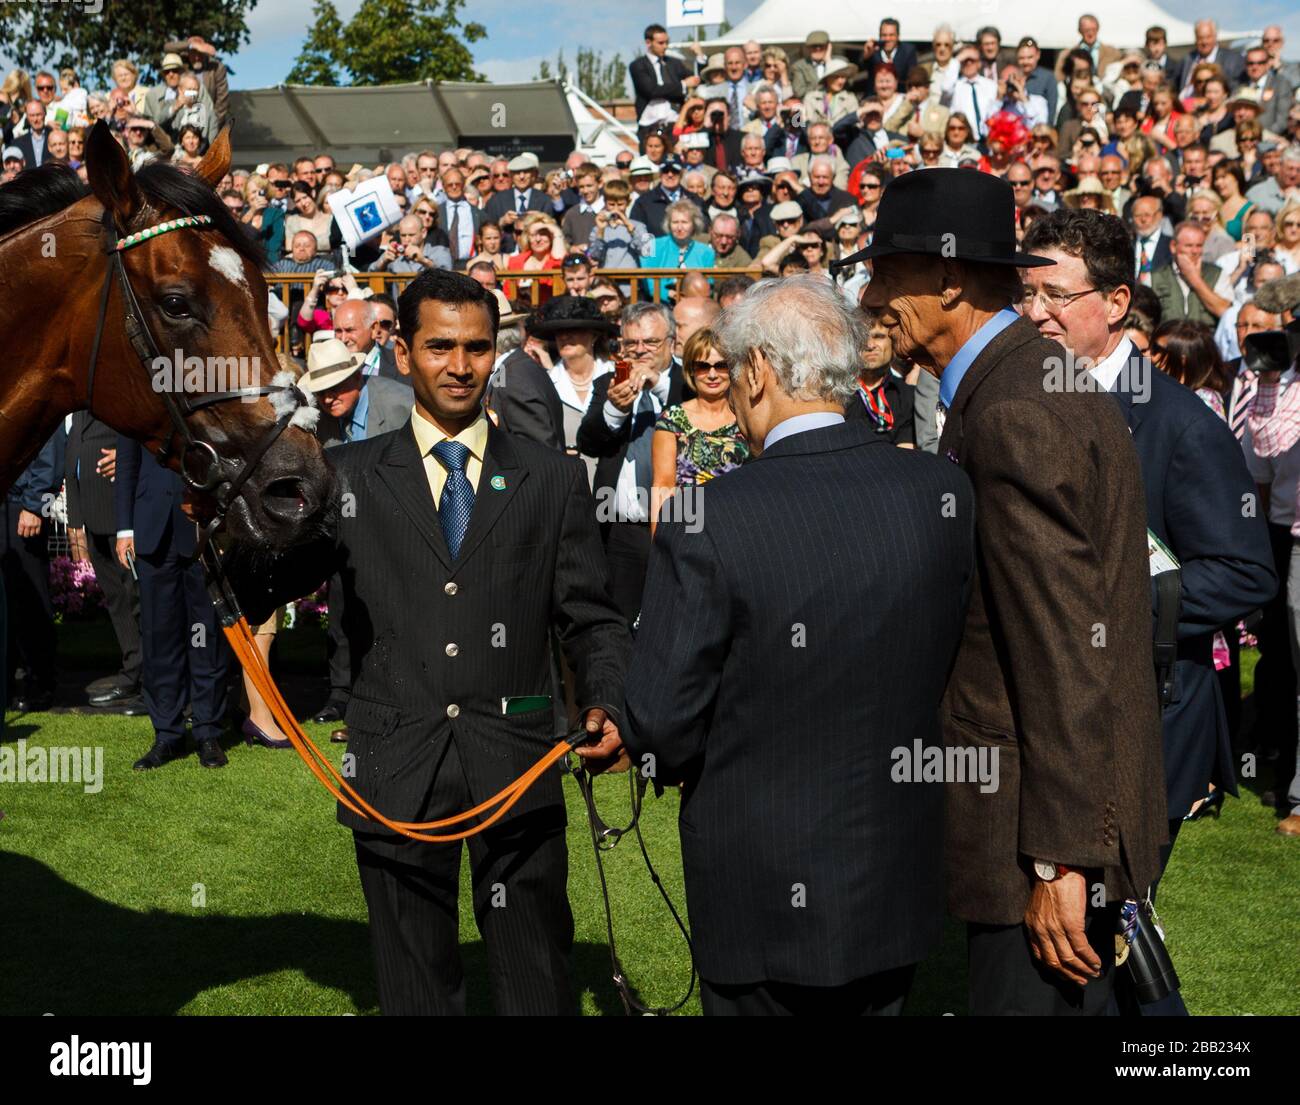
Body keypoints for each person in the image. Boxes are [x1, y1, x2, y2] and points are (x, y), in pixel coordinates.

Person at [230, 269, 630, 1015]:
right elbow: (261, 586)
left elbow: (592, 617)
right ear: (403, 353)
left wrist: (607, 697)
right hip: (392, 764)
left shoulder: (552, 476)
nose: (459, 364)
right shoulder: (344, 474)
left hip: (518, 754)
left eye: (477, 347)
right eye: (439, 345)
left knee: (538, 978)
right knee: (414, 990)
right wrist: (231, 516)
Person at [857, 169, 1167, 1015]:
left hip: (1042, 833)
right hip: (1035, 817)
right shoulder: (1007, 384)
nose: (872, 293)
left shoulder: (1015, 407)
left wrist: (1062, 861)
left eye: (889, 272)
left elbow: (1068, 647)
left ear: (950, 280)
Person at [623, 275, 974, 1015]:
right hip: (895, 870)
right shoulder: (940, 491)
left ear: (755, 372)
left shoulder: (708, 514)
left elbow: (660, 716)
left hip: (758, 883)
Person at [1020, 208, 1275, 1013]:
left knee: (1104, 931)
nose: (1036, 315)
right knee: (1075, 936)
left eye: (1057, 297)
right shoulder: (1031, 398)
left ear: (1119, 301)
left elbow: (1243, 574)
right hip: (1054, 713)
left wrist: (1101, 603)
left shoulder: (1181, 424)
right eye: (1028, 296)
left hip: (1151, 716)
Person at [116, 437, 231, 770]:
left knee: (205, 635)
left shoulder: (206, 386)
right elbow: (127, 463)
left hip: (200, 526)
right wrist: (125, 527)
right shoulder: (137, 390)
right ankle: (167, 734)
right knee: (158, 638)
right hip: (151, 531)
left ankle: (208, 732)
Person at [576, 301, 682, 622]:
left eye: (650, 342)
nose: (640, 350)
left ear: (672, 343)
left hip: (682, 523)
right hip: (621, 530)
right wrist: (615, 409)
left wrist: (660, 386)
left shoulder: (694, 379)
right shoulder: (608, 383)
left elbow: (701, 419)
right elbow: (588, 443)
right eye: (631, 343)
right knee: (619, 627)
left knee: (674, 622)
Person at [65, 413, 142, 710]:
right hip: (93, 517)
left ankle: (154, 679)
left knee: (137, 598)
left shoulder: (114, 396)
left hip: (122, 518)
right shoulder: (74, 411)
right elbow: (71, 463)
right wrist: (75, 525)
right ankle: (134, 670)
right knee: (117, 600)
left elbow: (144, 436)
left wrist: (124, 457)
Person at [649, 326, 749, 536]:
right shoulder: (673, 420)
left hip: (739, 528)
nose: (712, 374)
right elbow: (663, 487)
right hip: (688, 530)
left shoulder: (747, 417)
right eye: (703, 366)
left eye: (721, 366)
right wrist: (658, 546)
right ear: (691, 370)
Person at [2, 429, 64, 712]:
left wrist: (36, 505)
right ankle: (9, 679)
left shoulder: (32, 389)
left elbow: (50, 451)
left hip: (22, 505)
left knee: (30, 599)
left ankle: (41, 681)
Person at [528, 295, 619, 485]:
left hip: (614, 490)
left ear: (594, 335)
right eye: (559, 331)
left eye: (574, 329)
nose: (564, 336)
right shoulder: (545, 384)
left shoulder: (616, 377)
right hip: (564, 486)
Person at [844, 310, 915, 446]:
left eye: (879, 336)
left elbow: (906, 452)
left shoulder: (908, 396)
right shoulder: (838, 396)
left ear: (892, 342)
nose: (870, 345)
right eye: (863, 337)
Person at [630, 23, 701, 147]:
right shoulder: (638, 65)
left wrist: (700, 57)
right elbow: (651, 90)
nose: (665, 46)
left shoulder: (674, 64)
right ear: (648, 42)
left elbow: (698, 79)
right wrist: (683, 85)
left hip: (674, 125)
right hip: (649, 126)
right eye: (661, 43)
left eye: (666, 42)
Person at [1152, 222, 1229, 325]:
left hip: (1205, 339)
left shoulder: (1217, 274)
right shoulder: (1154, 277)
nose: (1194, 251)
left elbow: (1225, 312)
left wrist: (1194, 279)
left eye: (1199, 246)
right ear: (1173, 246)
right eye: (1188, 246)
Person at [643, 199, 715, 299]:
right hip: (661, 304)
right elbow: (648, 282)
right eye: (675, 222)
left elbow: (709, 284)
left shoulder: (706, 252)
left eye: (685, 222)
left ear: (694, 224)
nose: (679, 227)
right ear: (668, 224)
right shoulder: (653, 246)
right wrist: (670, 294)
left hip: (696, 303)